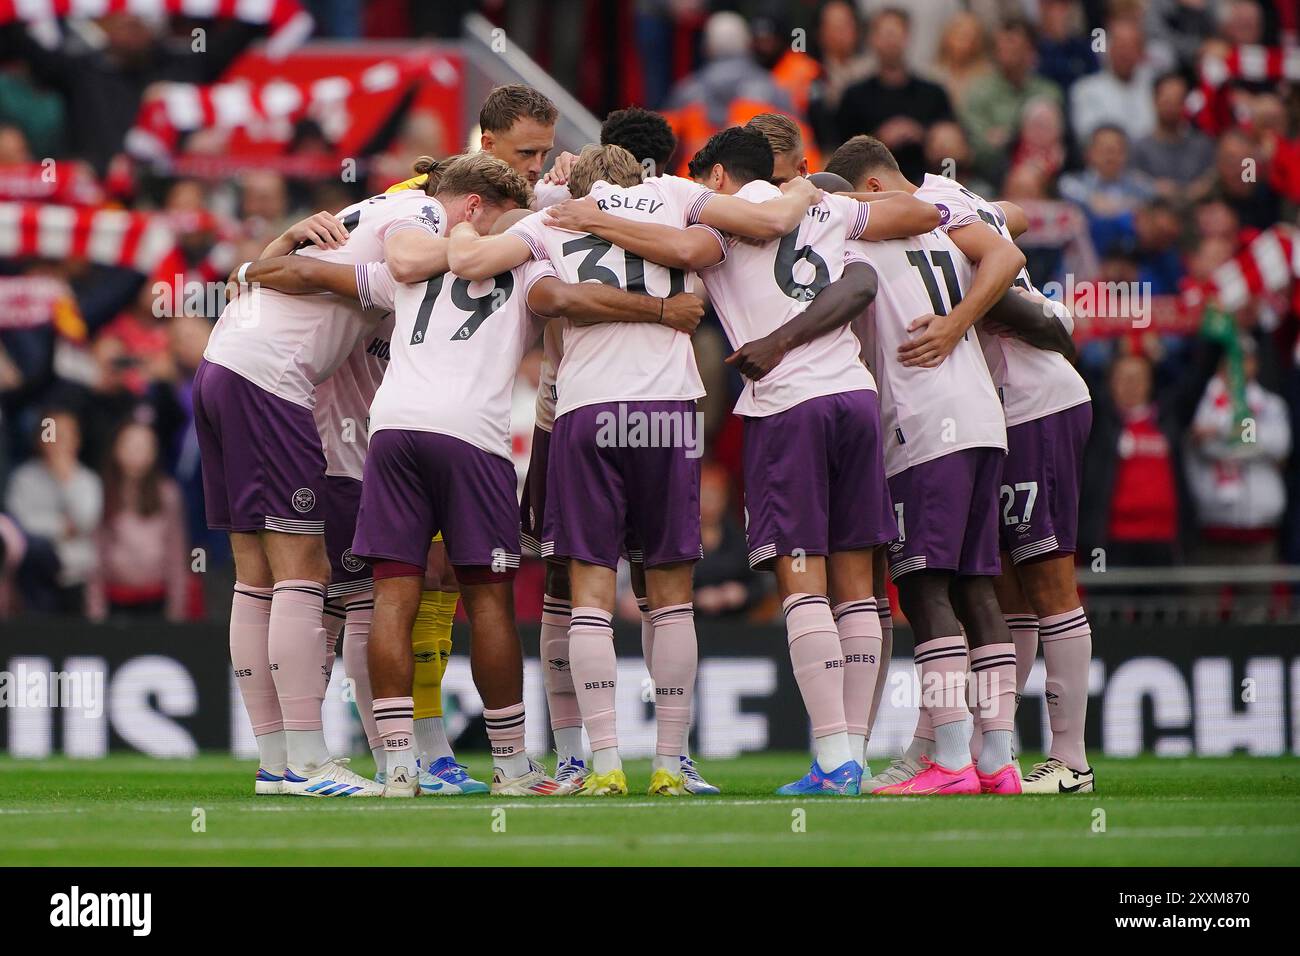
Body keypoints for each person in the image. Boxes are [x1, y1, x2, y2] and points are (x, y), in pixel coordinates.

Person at [242, 154, 710, 799]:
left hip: (395, 431)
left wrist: (246, 270)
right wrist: (661, 312)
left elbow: (299, 271)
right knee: (486, 600)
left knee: (393, 595)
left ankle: (399, 768)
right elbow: (568, 297)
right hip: (475, 438)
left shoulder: (403, 267)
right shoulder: (523, 258)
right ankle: (513, 767)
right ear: (487, 209)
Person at [542, 129, 938, 795]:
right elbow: (920, 216)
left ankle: (834, 758)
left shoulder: (708, 213)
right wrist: (817, 191)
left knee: (802, 583)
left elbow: (681, 248)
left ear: (718, 174)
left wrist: (595, 213)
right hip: (857, 396)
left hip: (786, 407)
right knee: (858, 586)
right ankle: (850, 757)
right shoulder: (827, 206)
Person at [445, 144, 833, 796]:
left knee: (591, 597)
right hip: (669, 412)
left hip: (588, 411)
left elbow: (470, 261)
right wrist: (803, 190)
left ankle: (601, 765)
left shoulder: (555, 218)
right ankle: (669, 763)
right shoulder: (680, 196)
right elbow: (744, 231)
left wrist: (463, 214)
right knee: (671, 599)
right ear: (639, 177)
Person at [195, 159, 462, 798]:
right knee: (303, 574)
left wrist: (263, 256)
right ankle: (309, 763)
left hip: (222, 366)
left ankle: (277, 762)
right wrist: (263, 261)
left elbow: (271, 279)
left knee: (257, 577)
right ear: (467, 203)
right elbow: (391, 267)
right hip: (277, 389)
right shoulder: (418, 220)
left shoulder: (360, 216)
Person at [835, 7, 953, 184]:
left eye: (896, 34)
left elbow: (954, 147)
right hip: (870, 185)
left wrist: (923, 134)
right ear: (872, 39)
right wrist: (877, 140)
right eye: (884, 34)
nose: (891, 41)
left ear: (907, 37)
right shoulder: (854, 96)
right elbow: (838, 154)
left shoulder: (933, 93)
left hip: (927, 181)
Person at [87, 419, 189, 623]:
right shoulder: (102, 493)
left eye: (144, 446)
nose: (136, 453)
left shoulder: (167, 494)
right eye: (130, 445)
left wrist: (177, 609)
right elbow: (95, 554)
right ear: (116, 449)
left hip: (156, 601)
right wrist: (95, 609)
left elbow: (176, 552)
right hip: (114, 600)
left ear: (154, 452)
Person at [4, 407, 101, 614]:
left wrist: (65, 480)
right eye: (53, 434)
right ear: (41, 439)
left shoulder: (87, 480)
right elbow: (21, 525)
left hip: (78, 577)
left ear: (78, 440)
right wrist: (62, 528)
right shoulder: (24, 478)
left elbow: (86, 520)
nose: (59, 441)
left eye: (67, 435)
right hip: (34, 580)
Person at [1068, 16, 1158, 144]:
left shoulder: (1154, 86)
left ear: (1141, 52)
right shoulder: (1086, 89)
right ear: (1108, 49)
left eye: (1131, 47)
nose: (1124, 54)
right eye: (1120, 46)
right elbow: (1087, 137)